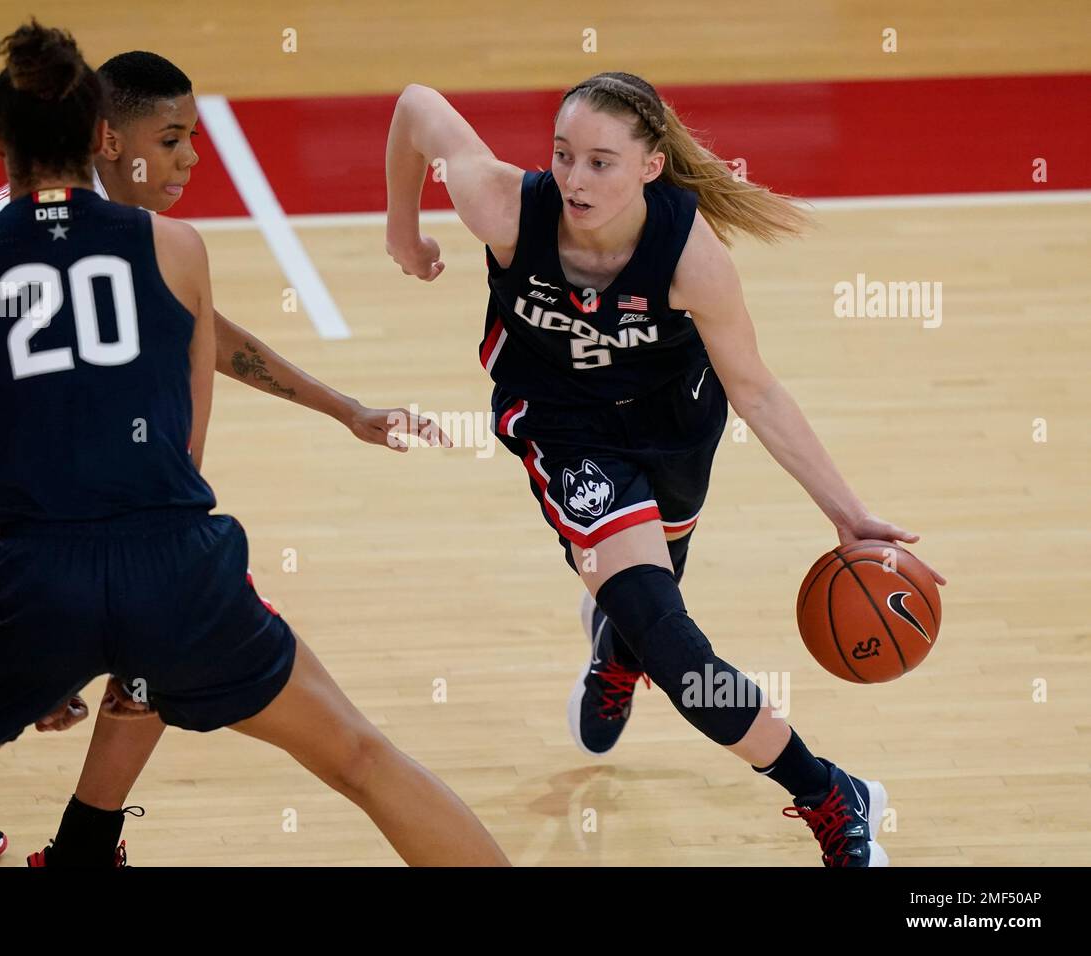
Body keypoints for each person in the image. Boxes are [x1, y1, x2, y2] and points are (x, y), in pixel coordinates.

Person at [0, 20, 506, 868]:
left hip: (18, 506)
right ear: (102, 137)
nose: (189, 161)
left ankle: (66, 835)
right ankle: (5, 808)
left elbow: (194, 339)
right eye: (171, 140)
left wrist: (340, 406)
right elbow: (149, 434)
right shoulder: (157, 249)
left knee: (56, 646)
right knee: (183, 643)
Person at [383, 73, 947, 866]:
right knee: (676, 646)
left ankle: (619, 651)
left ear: (651, 165)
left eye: (602, 162)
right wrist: (401, 230)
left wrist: (846, 513)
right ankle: (827, 792)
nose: (574, 179)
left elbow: (755, 387)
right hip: (566, 433)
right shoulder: (508, 206)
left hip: (673, 427)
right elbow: (415, 106)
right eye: (563, 155)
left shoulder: (692, 257)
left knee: (651, 615)